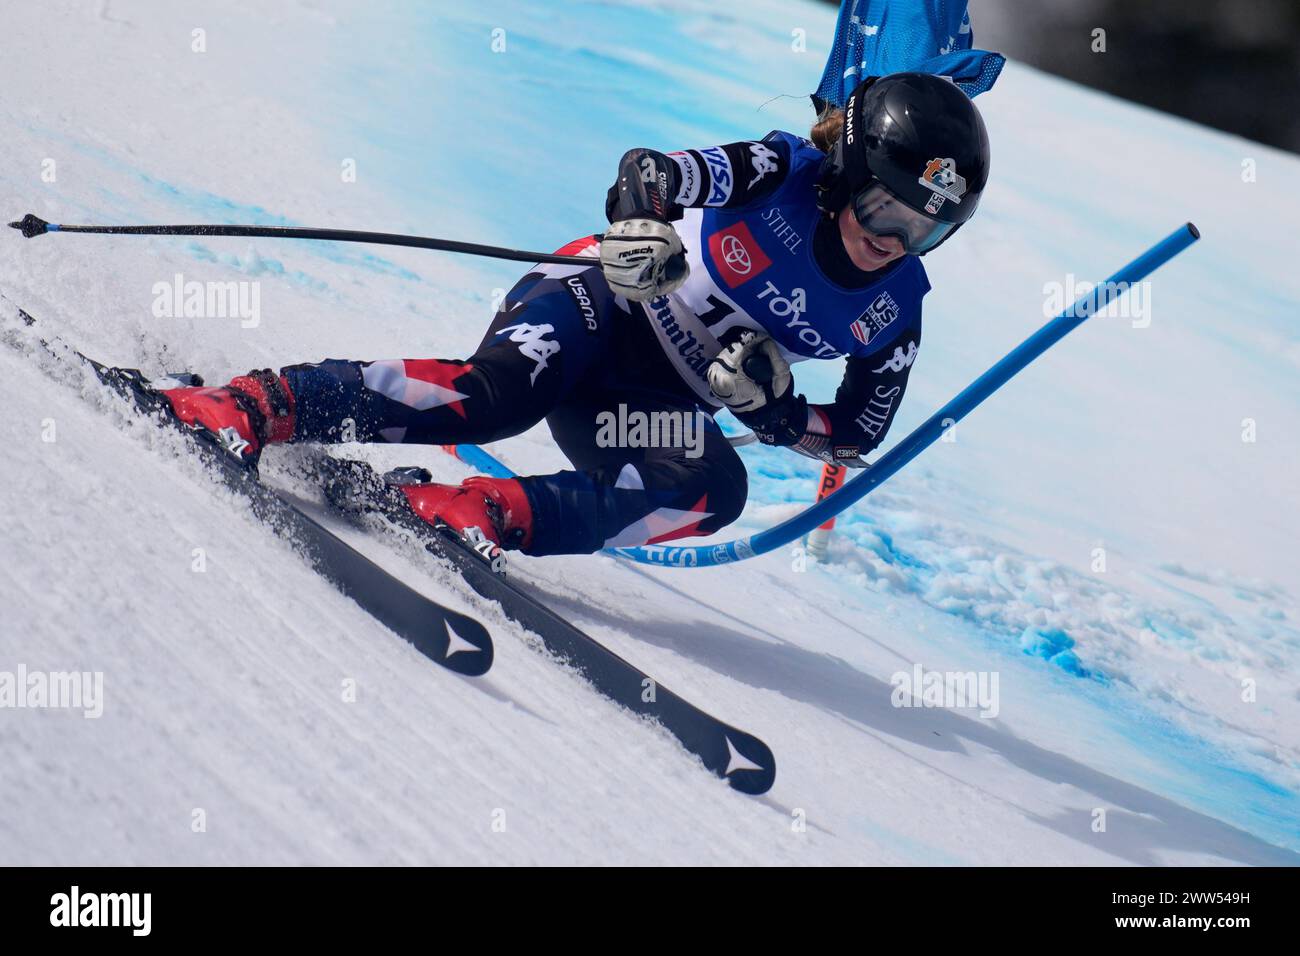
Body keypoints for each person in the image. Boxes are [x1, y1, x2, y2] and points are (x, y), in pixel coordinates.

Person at [160, 72, 991, 557]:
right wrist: (639, 226)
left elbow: (849, 435)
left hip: (645, 410)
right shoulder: (784, 168)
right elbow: (653, 172)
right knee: (501, 398)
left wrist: (775, 412)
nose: (896, 241)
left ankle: (487, 512)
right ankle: (255, 405)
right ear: (849, 173)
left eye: (929, 230)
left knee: (713, 489)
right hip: (597, 303)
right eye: (887, 210)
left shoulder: (895, 312)